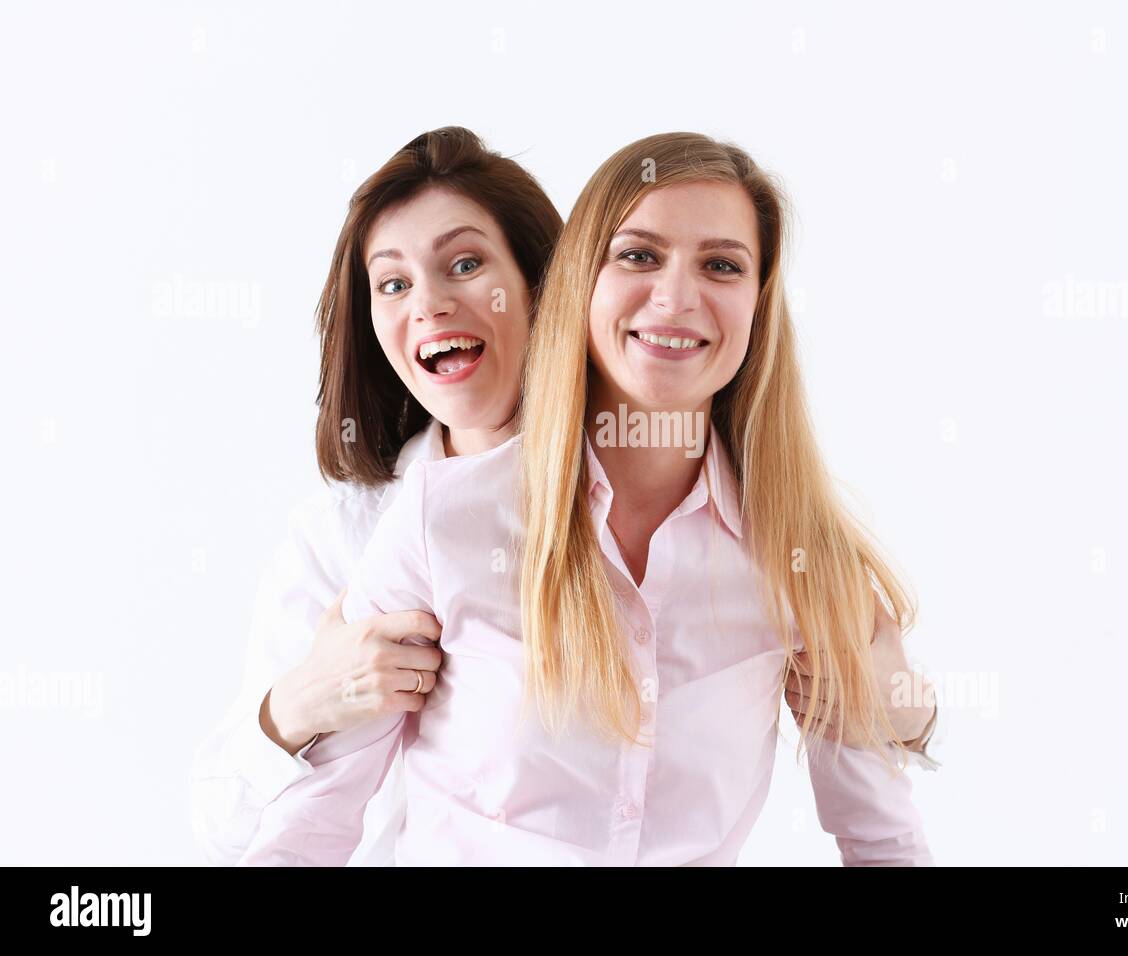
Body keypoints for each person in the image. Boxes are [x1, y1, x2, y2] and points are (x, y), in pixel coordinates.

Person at [236, 132, 939, 866]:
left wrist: (907, 711)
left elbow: (883, 839)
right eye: (638, 255)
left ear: (760, 307)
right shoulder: (439, 519)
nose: (675, 296)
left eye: (723, 265)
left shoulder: (800, 557)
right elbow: (307, 831)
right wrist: (287, 710)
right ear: (578, 284)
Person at [189, 127, 563, 865]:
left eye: (464, 264)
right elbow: (220, 829)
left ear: (541, 285)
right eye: (393, 283)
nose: (428, 303)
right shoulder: (345, 536)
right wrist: (308, 700)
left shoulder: (643, 492)